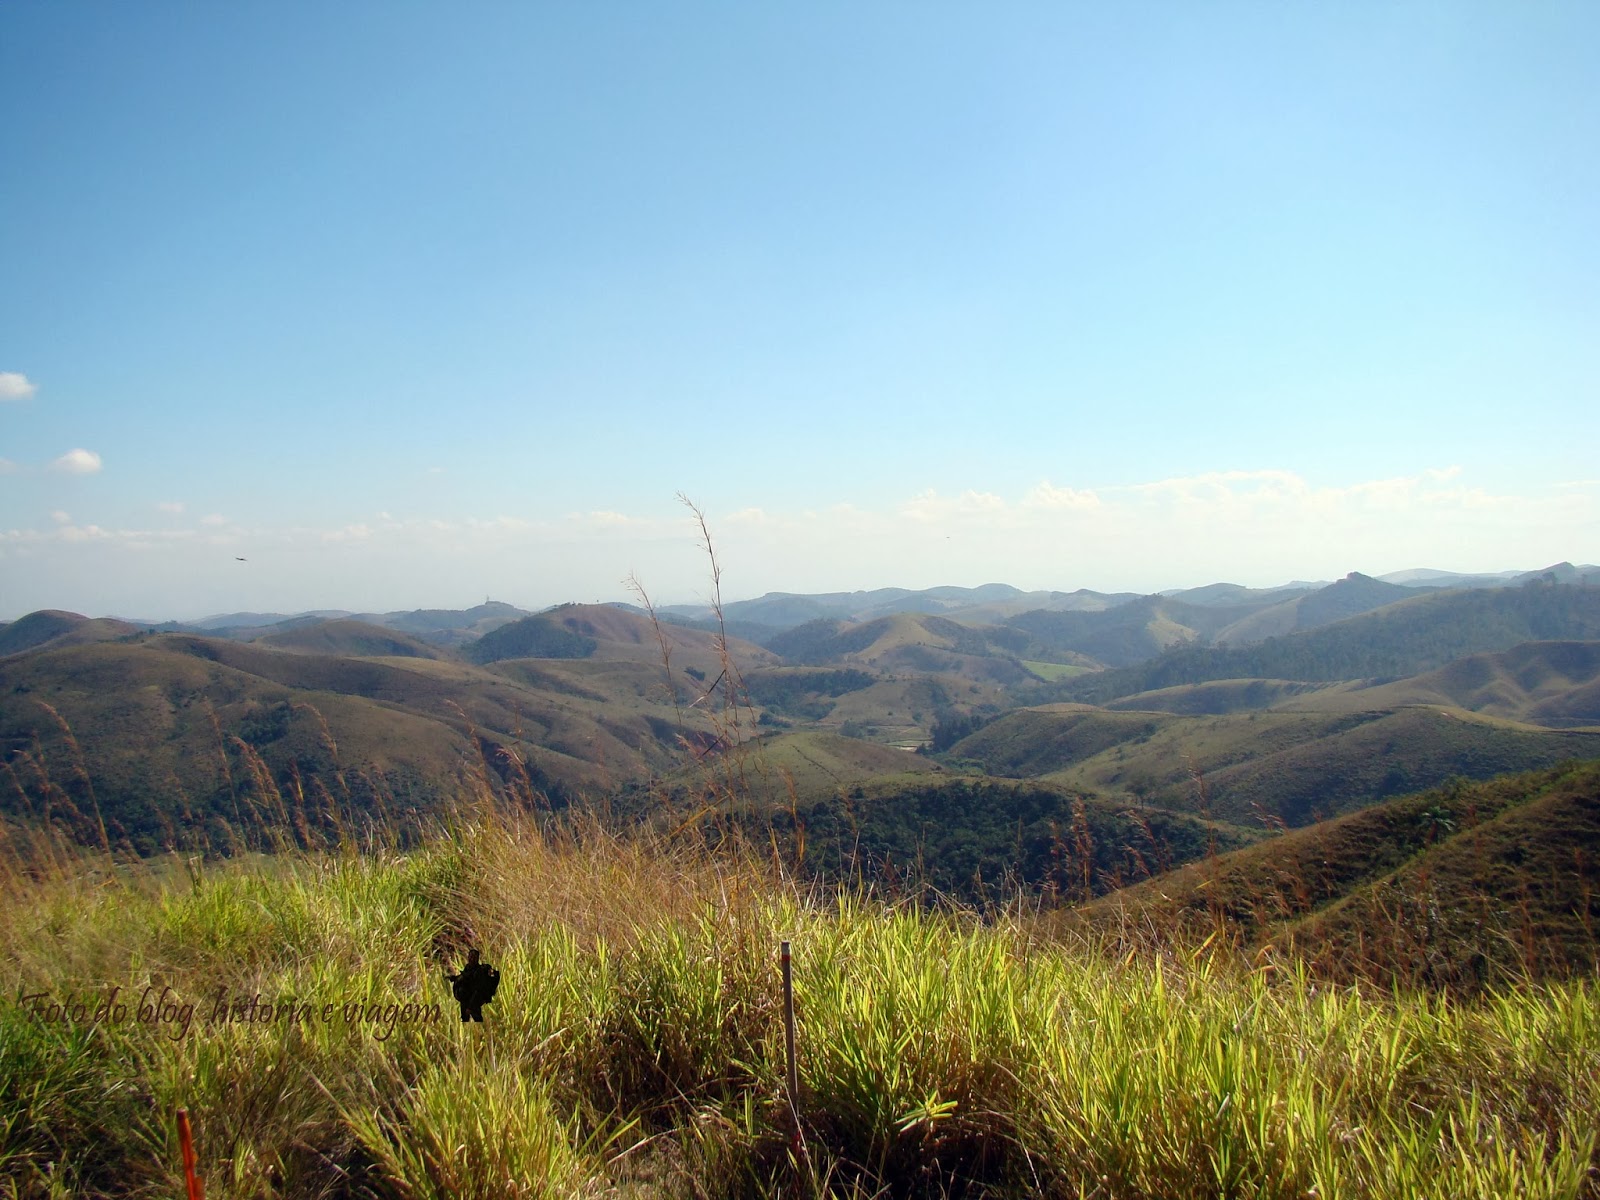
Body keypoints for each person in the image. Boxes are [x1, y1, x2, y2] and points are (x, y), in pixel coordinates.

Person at [444, 947, 499, 1022]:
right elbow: (464, 977)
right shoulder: (468, 967)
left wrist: (470, 1007)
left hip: (473, 1000)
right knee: (464, 1019)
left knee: (477, 1019)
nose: (471, 959)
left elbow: (478, 990)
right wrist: (455, 978)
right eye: (470, 957)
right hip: (465, 998)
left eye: (474, 957)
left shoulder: (479, 972)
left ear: (477, 959)